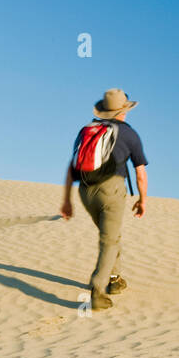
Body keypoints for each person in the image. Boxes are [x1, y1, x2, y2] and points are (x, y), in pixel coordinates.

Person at [60, 89, 148, 310]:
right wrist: (142, 199)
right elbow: (140, 172)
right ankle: (97, 291)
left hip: (85, 192)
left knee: (111, 235)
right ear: (124, 111)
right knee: (108, 240)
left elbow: (72, 167)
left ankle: (115, 279)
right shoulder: (129, 134)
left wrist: (67, 200)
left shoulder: (87, 131)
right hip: (112, 190)